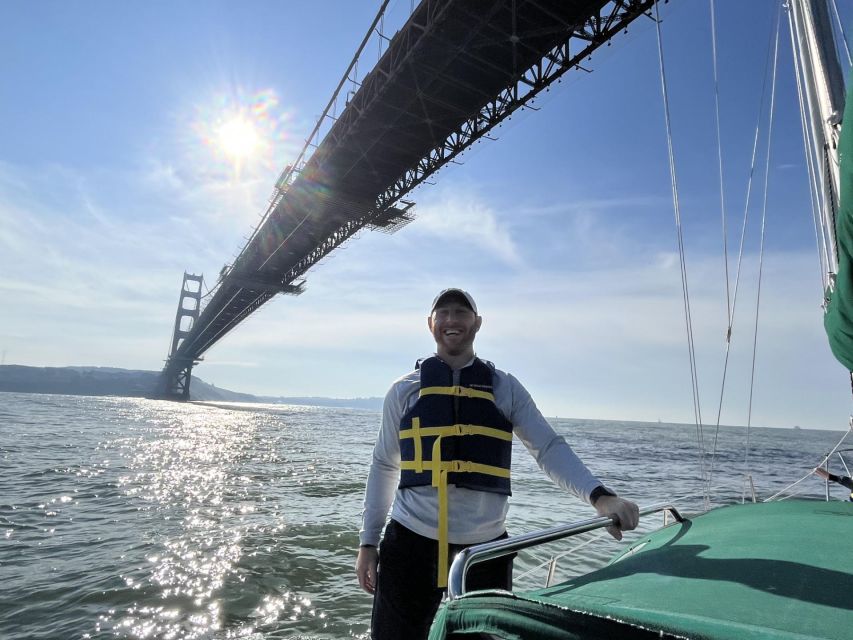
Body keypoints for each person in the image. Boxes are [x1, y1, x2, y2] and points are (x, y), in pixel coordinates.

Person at [355, 287, 640, 640]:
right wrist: (368, 544)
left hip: (486, 551)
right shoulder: (403, 391)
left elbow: (548, 447)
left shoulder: (506, 388)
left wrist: (600, 497)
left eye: (461, 312)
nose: (451, 320)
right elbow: (384, 465)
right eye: (442, 313)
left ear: (477, 323)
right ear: (430, 325)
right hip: (410, 544)